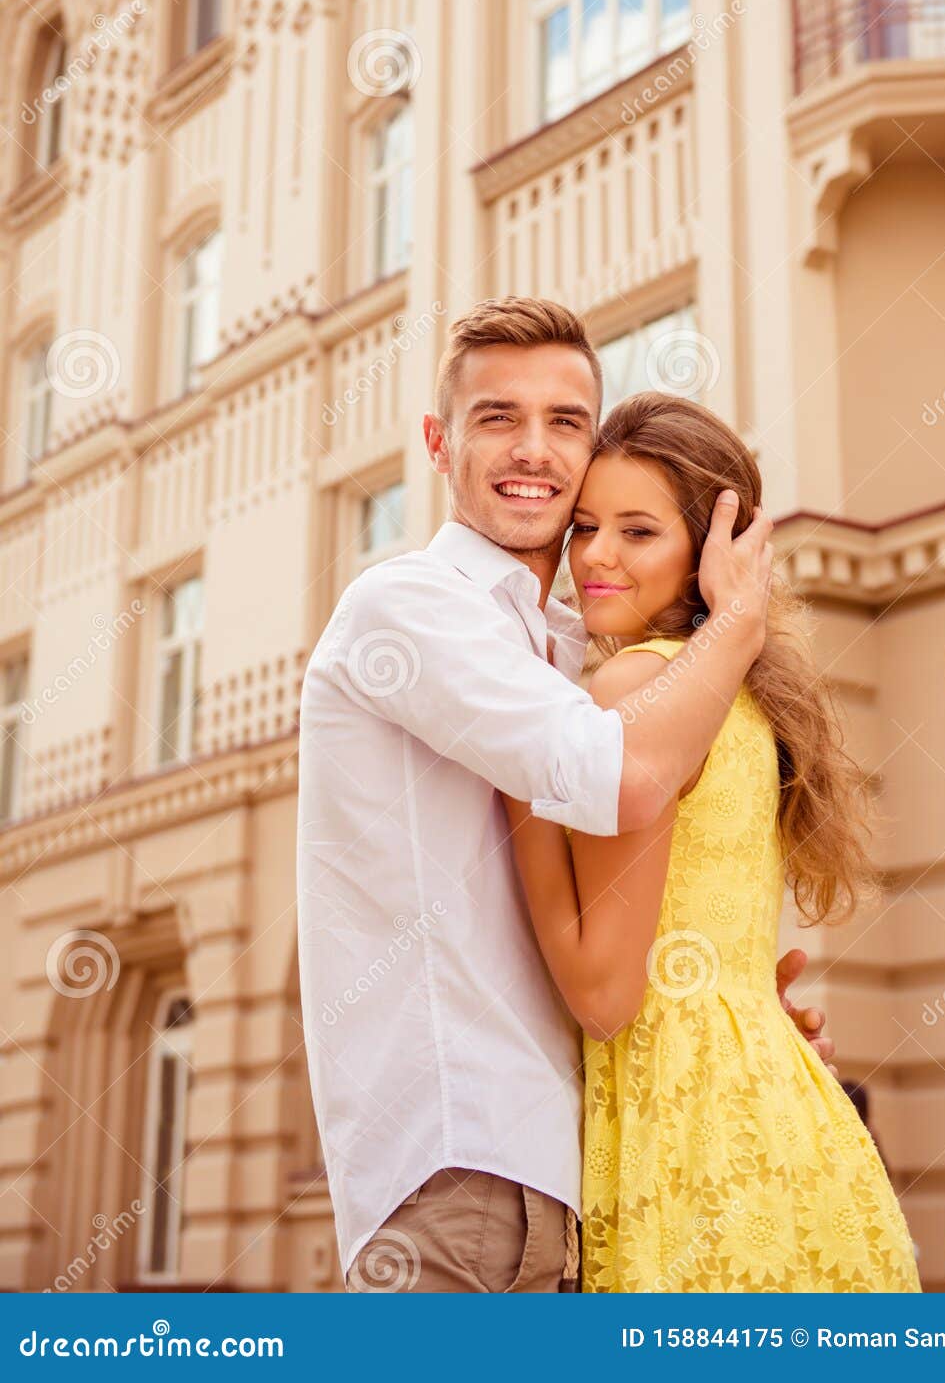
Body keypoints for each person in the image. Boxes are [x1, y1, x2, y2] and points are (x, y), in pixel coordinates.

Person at [296, 297, 836, 1294]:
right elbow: (619, 781)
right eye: (497, 416)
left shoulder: (571, 644)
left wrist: (724, 999)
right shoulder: (411, 607)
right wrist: (739, 623)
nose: (533, 449)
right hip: (461, 1163)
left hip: (575, 1169)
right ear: (438, 442)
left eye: (565, 422)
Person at [502, 390, 921, 1292]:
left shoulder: (630, 690)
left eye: (638, 532)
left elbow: (603, 995)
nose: (596, 557)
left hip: (686, 1133)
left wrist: (514, 785)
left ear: (710, 555)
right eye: (584, 528)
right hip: (796, 1129)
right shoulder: (744, 701)